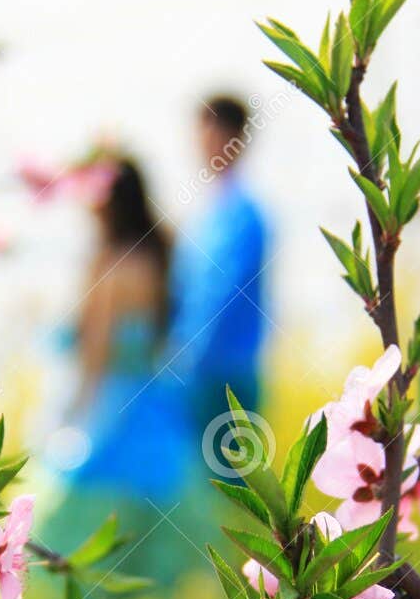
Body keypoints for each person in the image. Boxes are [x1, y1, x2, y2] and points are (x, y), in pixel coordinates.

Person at [43, 156, 194, 573]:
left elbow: (96, 351)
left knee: (67, 522)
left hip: (108, 404)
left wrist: (72, 418)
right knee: (151, 530)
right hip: (152, 402)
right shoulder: (156, 257)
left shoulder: (110, 265)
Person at [170, 95, 274, 434]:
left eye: (208, 130)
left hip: (227, 376)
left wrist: (185, 356)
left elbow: (224, 296)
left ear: (233, 138)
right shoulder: (207, 212)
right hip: (198, 375)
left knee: (230, 480)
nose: (200, 141)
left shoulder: (244, 215)